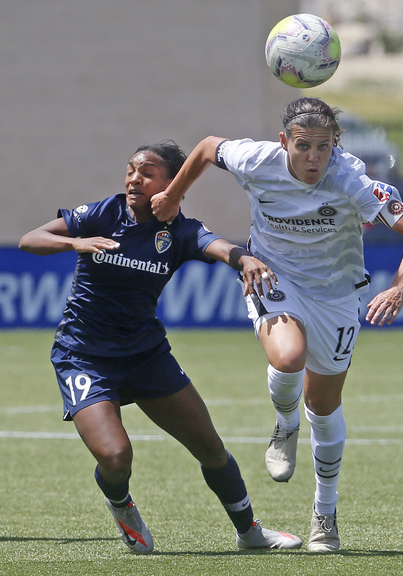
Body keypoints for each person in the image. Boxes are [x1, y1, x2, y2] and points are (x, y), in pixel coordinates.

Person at [151, 97, 403, 552]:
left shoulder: (351, 181)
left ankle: (325, 512)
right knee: (288, 357)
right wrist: (175, 194)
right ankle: (285, 423)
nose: (314, 158)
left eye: (324, 147)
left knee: (324, 407)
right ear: (284, 141)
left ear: (335, 146)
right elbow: (205, 148)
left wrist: (399, 286)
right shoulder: (256, 160)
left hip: (337, 295)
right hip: (273, 274)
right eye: (303, 146)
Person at [18, 140, 303, 553]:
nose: (134, 178)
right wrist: (75, 243)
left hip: (146, 356)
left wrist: (244, 260)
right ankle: (122, 505)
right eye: (131, 169)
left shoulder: (182, 231)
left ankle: (250, 533)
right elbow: (30, 239)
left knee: (210, 448)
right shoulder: (104, 212)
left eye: (147, 173)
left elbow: (219, 246)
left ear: (174, 185)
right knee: (116, 458)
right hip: (83, 356)